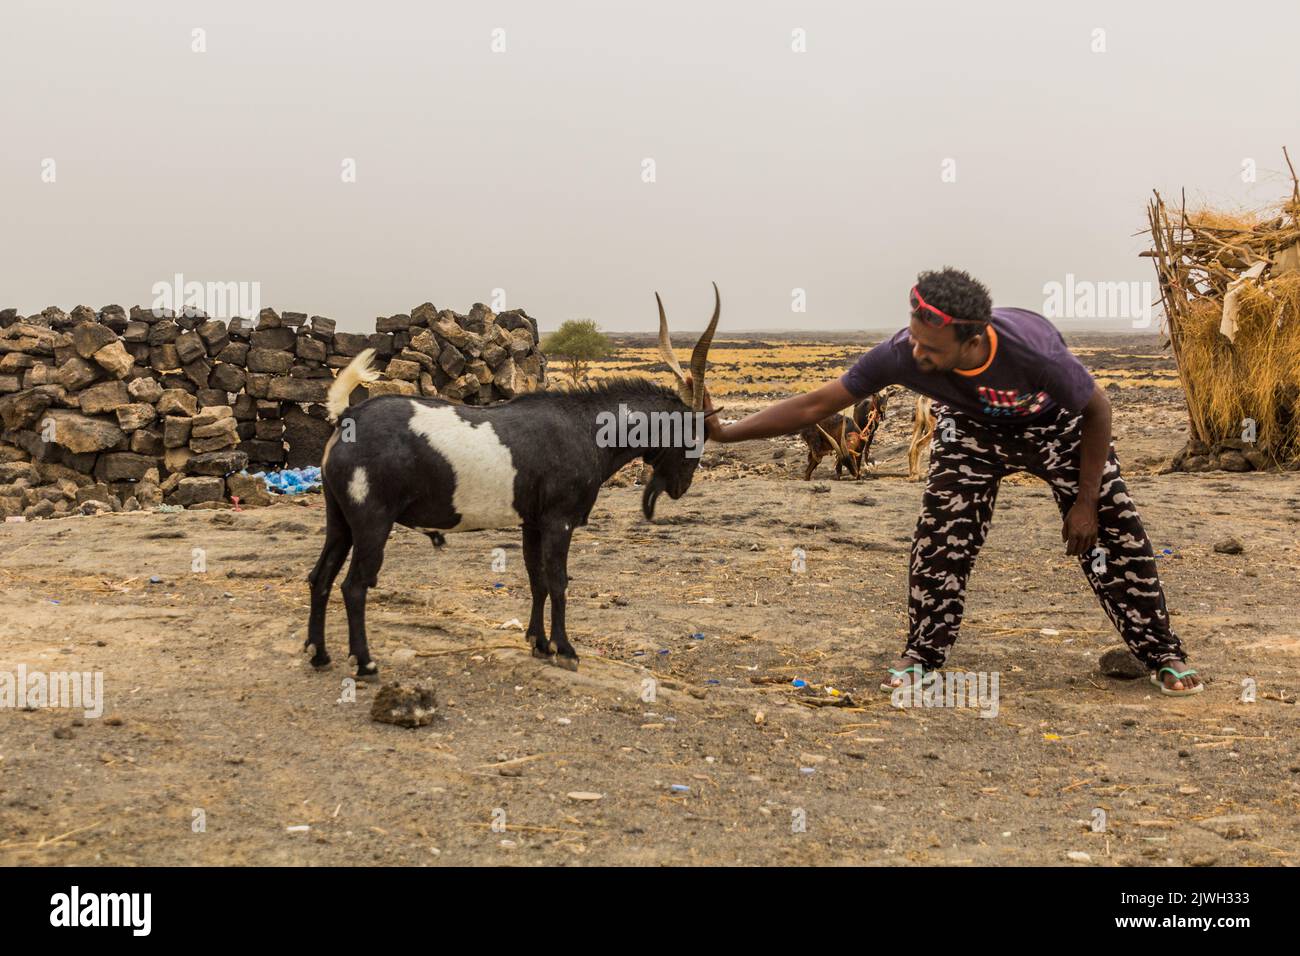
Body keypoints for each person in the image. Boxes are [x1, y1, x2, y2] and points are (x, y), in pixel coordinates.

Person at [700, 267, 1202, 696]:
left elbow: (1098, 410)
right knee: (940, 538)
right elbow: (814, 405)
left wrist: (1086, 503)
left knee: (1116, 535)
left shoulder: (1034, 351)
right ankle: (922, 655)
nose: (916, 353)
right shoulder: (903, 351)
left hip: (1057, 428)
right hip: (973, 432)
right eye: (913, 336)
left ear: (973, 341)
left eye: (931, 348)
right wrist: (725, 435)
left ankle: (1161, 652)